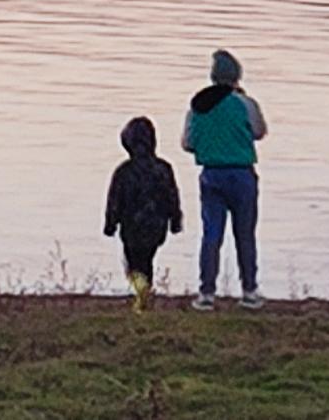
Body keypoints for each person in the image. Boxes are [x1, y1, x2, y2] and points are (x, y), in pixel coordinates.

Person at [181, 48, 267, 311]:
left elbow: (188, 143)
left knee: (211, 234)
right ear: (236, 77)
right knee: (245, 234)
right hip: (242, 174)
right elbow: (259, 132)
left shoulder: (198, 105)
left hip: (211, 175)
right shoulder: (246, 104)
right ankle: (249, 291)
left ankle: (206, 293)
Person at [103, 115, 183, 311]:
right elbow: (172, 196)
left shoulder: (124, 171)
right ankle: (144, 292)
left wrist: (110, 224)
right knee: (146, 258)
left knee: (134, 261)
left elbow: (114, 200)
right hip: (157, 225)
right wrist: (175, 220)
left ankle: (142, 294)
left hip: (132, 226)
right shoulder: (163, 168)